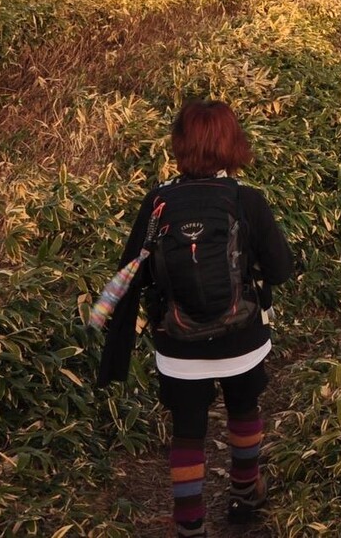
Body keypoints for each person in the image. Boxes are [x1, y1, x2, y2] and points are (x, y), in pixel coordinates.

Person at [98, 99, 295, 538]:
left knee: (187, 432)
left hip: (177, 344)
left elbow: (133, 270)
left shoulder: (158, 203)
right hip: (242, 341)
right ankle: (246, 494)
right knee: (244, 410)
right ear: (233, 144)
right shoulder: (248, 201)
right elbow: (281, 270)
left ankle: (190, 524)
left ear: (179, 145)